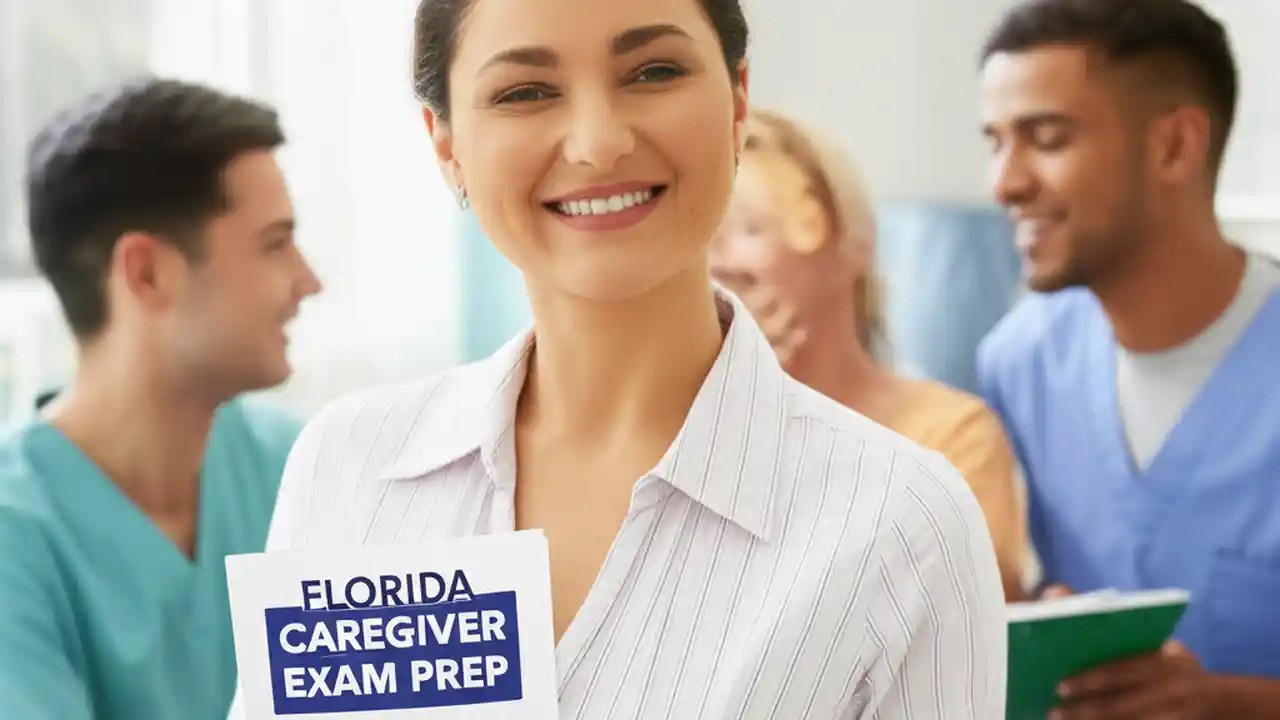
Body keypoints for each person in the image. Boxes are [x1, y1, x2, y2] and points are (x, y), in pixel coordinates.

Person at [228, 0, 1006, 717]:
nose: (598, 143)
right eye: (525, 92)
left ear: (737, 102)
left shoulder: (902, 525)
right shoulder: (350, 468)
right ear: (446, 143)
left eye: (654, 72)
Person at [977, 0, 1280, 716]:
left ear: (1174, 145)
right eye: (996, 142)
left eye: (1046, 138)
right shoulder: (1018, 363)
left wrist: (1223, 702)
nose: (1005, 183)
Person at [0, 79, 322, 720]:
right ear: (147, 273)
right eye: (274, 243)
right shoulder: (17, 538)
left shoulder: (302, 466)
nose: (308, 281)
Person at [712, 108, 1027, 599]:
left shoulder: (951, 436)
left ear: (852, 245)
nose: (717, 264)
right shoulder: (694, 434)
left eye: (748, 229)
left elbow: (950, 611)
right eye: (702, 239)